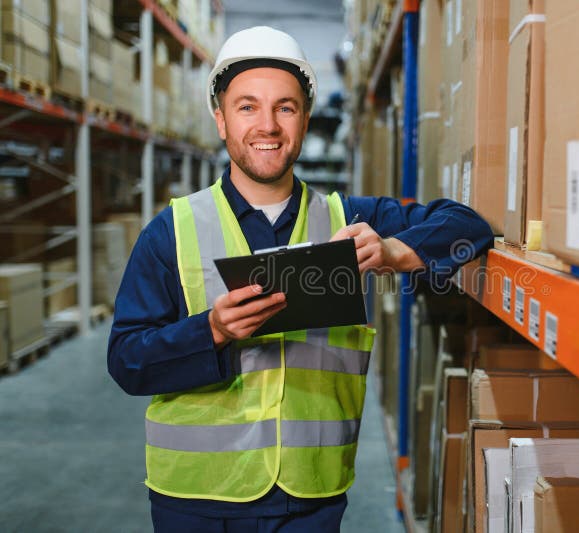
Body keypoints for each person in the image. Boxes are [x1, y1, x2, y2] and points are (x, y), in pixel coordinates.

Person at [107, 26, 493, 532]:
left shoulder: (350, 219)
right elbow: (127, 360)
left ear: (305, 120)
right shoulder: (171, 232)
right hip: (197, 498)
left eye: (285, 107)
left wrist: (398, 250)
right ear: (221, 120)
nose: (267, 125)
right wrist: (212, 331)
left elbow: (471, 226)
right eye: (247, 107)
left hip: (310, 497)